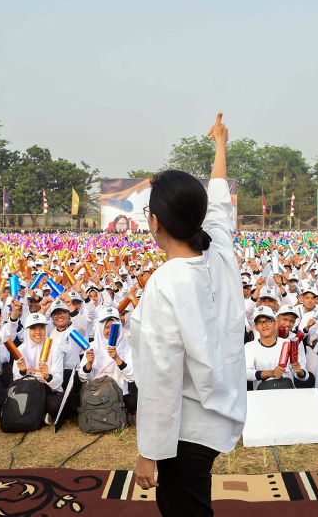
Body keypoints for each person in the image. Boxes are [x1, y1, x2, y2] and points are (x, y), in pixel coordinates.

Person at [130, 114, 246, 517]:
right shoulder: (221, 250)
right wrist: (220, 146)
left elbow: (162, 374)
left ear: (154, 222)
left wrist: (150, 451)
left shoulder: (166, 282)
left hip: (186, 430)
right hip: (217, 415)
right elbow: (218, 200)